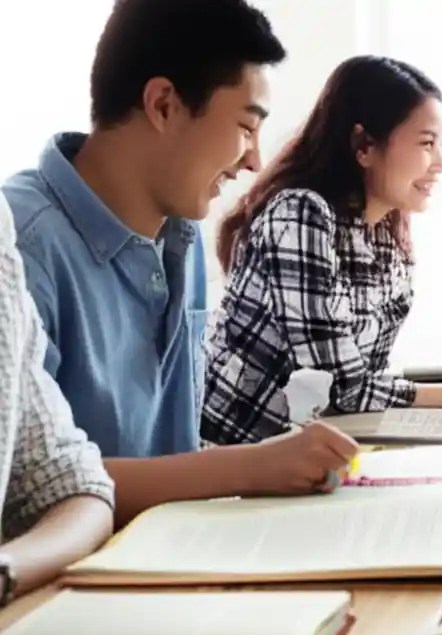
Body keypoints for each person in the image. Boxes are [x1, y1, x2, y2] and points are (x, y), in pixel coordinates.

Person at [2, 0, 356, 527]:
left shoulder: (181, 235)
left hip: (174, 556)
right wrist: (249, 466)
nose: (256, 160)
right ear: (164, 105)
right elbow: (35, 485)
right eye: (245, 126)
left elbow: (172, 450)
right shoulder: (23, 249)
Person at [204, 56, 442, 446]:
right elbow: (342, 391)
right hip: (234, 457)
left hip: (307, 454)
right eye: (426, 144)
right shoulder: (302, 215)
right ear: (364, 145)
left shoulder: (388, 238)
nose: (440, 164)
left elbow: (367, 382)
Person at [0, 195, 114, 607]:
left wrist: (7, 569)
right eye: (245, 128)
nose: (254, 161)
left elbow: (71, 481)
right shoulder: (39, 233)